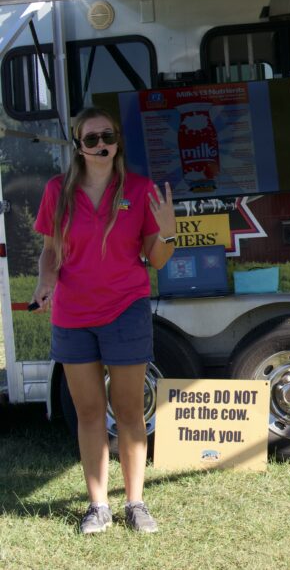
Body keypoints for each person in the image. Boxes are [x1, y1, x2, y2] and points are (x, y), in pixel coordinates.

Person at [32, 106, 177, 535]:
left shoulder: (140, 188)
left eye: (107, 137)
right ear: (78, 146)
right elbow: (51, 251)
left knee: (130, 411)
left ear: (118, 142)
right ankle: (98, 506)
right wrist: (45, 281)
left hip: (125, 310)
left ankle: (135, 503)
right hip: (73, 315)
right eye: (91, 139)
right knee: (90, 412)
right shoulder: (57, 190)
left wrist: (168, 232)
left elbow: (157, 258)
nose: (101, 145)